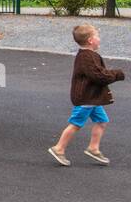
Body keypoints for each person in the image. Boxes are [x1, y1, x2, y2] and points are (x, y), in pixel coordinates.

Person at [48, 23, 123, 166]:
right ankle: (59, 148)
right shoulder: (86, 57)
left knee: (102, 121)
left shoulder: (89, 55)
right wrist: (117, 74)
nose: (99, 39)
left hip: (93, 98)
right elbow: (99, 76)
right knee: (76, 124)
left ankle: (93, 148)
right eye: (97, 36)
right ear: (90, 40)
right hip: (86, 98)